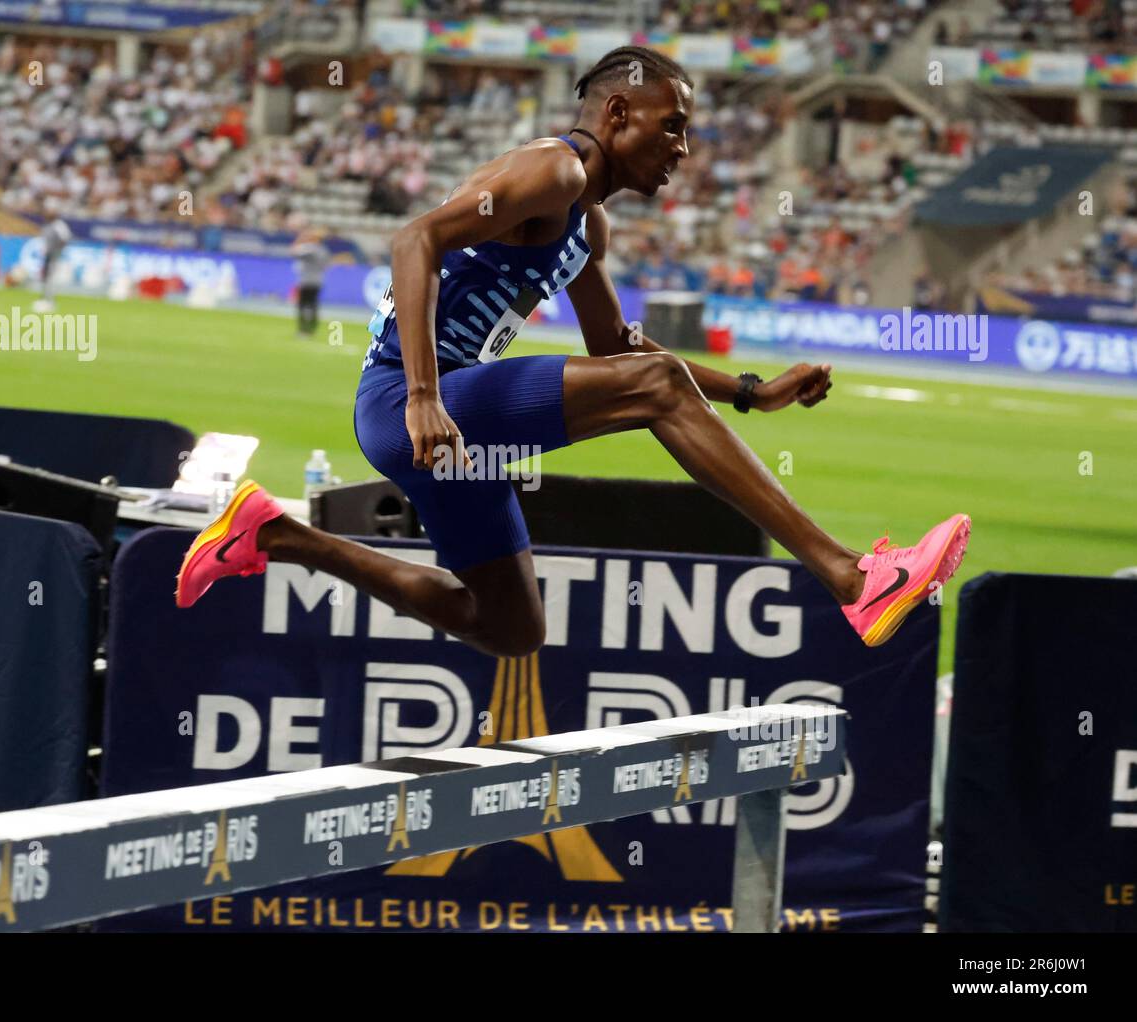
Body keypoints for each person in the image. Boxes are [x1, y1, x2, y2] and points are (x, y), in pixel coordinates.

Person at [177, 46, 970, 655]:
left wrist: (750, 392)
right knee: (653, 385)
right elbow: (412, 237)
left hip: (456, 427)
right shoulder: (551, 171)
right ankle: (852, 577)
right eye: (673, 126)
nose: (684, 150)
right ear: (619, 112)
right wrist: (423, 394)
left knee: (509, 627)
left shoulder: (587, 223)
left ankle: (273, 533)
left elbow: (617, 348)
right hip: (411, 407)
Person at [290, 226, 330, 336]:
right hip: (318, 281)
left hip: (306, 281)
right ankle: (312, 329)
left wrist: (300, 239)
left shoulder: (310, 249)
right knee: (313, 305)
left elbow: (294, 252)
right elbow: (326, 265)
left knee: (303, 306)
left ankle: (303, 329)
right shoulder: (324, 251)